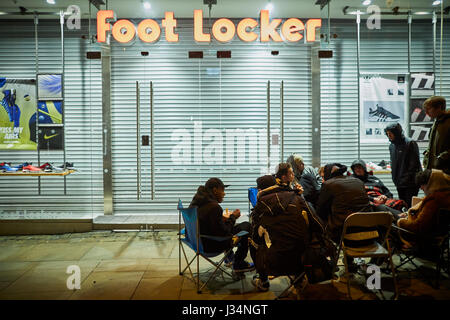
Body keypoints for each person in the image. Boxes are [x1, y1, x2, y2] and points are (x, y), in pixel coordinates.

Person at [250, 164, 310, 292]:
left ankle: (264, 282)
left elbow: (256, 237)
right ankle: (298, 280)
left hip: (275, 261)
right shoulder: (295, 199)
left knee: (254, 242)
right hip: (300, 256)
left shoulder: (261, 210)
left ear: (260, 190)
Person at [189, 177, 254, 273]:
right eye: (222, 190)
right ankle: (238, 264)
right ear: (215, 190)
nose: (224, 194)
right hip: (211, 245)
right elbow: (225, 232)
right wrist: (233, 217)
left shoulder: (197, 202)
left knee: (241, 226)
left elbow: (209, 222)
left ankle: (230, 258)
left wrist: (221, 219)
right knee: (246, 227)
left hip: (197, 241)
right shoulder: (214, 207)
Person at [316, 163, 374, 243]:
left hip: (346, 236)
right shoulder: (359, 181)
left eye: (323, 176)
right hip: (370, 234)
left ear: (328, 174)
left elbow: (320, 211)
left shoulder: (328, 184)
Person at [397, 169, 450, 237]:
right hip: (439, 236)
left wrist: (401, 222)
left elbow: (418, 227)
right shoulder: (444, 196)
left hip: (424, 237)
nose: (421, 188)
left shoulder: (433, 201)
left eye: (423, 184)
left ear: (432, 183)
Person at [384, 123, 422, 208]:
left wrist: (405, 179)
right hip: (399, 183)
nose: (388, 136)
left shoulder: (410, 143)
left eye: (390, 133)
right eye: (387, 134)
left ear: (396, 133)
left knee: (410, 206)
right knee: (402, 205)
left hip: (410, 184)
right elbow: (393, 163)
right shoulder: (392, 146)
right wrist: (395, 178)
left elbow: (414, 165)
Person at [422, 96, 450, 173]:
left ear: (439, 108)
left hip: (445, 170)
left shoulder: (447, 122)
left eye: (429, 109)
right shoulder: (436, 122)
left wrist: (442, 157)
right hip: (434, 169)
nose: (426, 112)